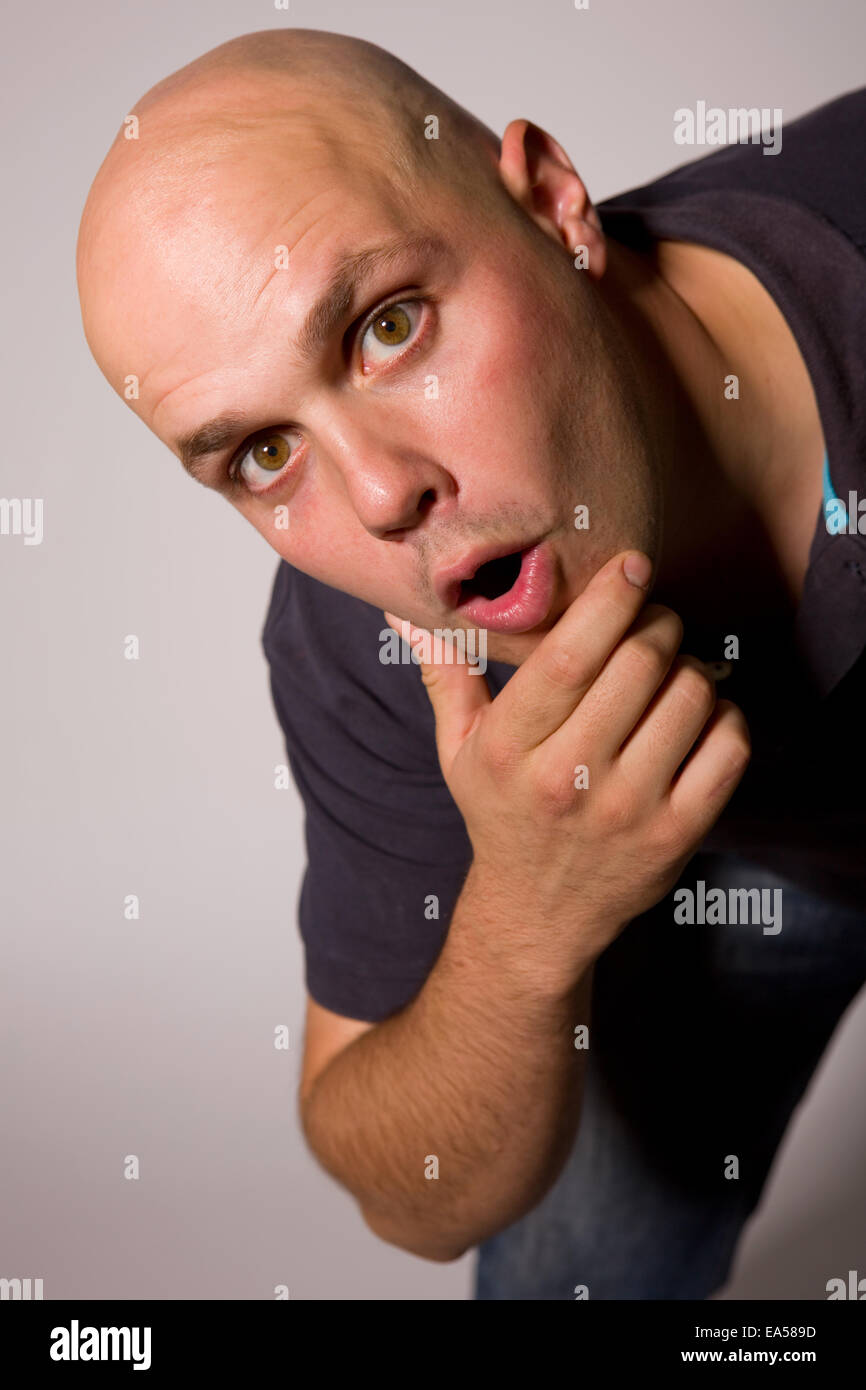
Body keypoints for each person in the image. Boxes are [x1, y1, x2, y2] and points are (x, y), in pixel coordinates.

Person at [76, 29, 866, 1298]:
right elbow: (412, 1195)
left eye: (387, 326)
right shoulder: (369, 625)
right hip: (729, 864)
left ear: (555, 206)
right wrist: (526, 923)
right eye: (262, 456)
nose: (382, 494)